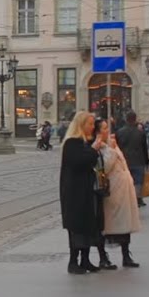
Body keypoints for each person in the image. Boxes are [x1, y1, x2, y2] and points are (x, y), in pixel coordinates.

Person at [60, 111, 105, 274]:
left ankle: (85, 260)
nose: (93, 127)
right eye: (90, 124)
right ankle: (73, 262)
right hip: (75, 193)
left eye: (93, 124)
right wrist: (93, 150)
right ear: (81, 125)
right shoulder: (72, 143)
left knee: (88, 225)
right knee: (77, 227)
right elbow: (79, 162)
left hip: (87, 191)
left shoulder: (86, 142)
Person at [95, 118, 142, 267]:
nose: (107, 130)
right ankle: (103, 257)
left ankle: (126, 255)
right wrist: (112, 150)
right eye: (103, 128)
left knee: (125, 224)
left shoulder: (110, 143)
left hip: (123, 190)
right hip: (111, 191)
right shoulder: (97, 147)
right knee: (108, 225)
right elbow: (104, 167)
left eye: (106, 128)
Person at [115, 111, 149, 207]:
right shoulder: (140, 133)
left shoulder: (119, 132)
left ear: (126, 119)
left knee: (126, 181)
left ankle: (128, 199)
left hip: (125, 161)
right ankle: (137, 198)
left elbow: (117, 147)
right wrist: (147, 161)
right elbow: (144, 148)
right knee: (138, 182)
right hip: (139, 160)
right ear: (135, 119)